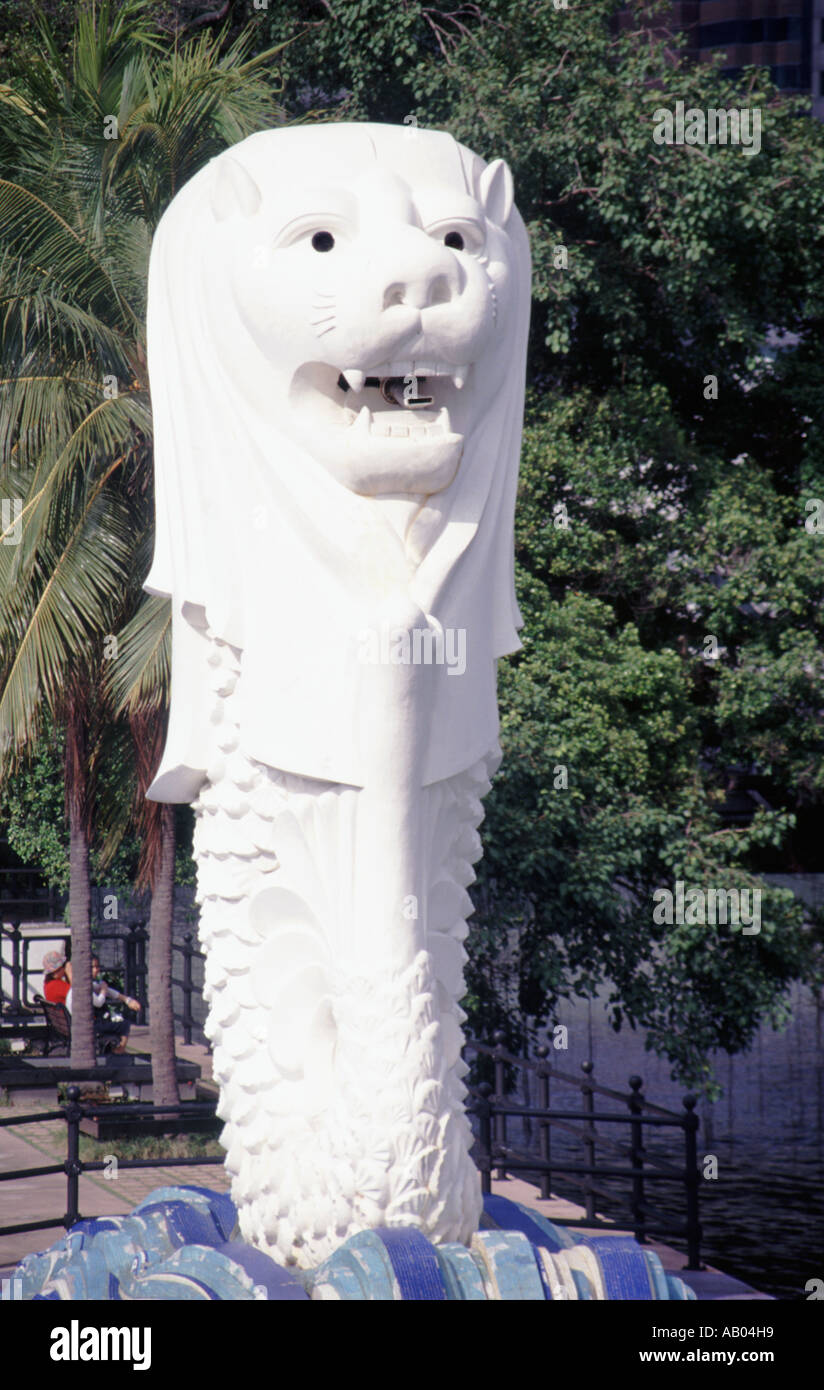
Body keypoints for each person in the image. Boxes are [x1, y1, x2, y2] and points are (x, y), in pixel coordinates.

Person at [89, 956, 140, 1055]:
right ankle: (119, 1050)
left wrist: (127, 1000)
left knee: (110, 1020)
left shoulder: (86, 984)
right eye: (92, 967)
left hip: (84, 1024)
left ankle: (114, 1048)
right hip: (91, 1026)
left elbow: (109, 992)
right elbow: (98, 1003)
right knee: (125, 1025)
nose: (96, 970)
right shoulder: (85, 987)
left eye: (97, 967)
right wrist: (103, 990)